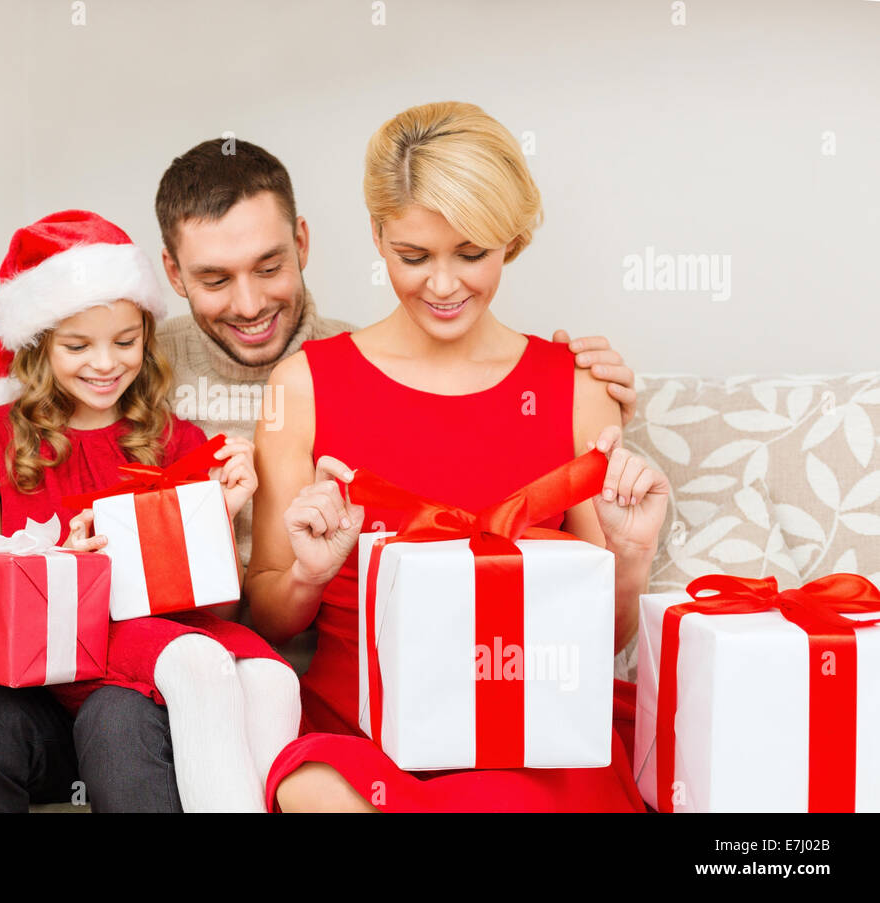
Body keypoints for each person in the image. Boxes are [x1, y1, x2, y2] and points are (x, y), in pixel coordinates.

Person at [0, 137, 643, 811]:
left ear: (305, 244)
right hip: (134, 667)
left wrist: (580, 408)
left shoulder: (363, 358)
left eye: (269, 266)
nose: (251, 303)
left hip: (214, 677)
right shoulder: (127, 357)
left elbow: (561, 580)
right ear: (171, 274)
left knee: (129, 719)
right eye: (215, 278)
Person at [244, 101, 671, 812]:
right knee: (311, 785)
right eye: (414, 258)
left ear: (513, 239)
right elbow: (267, 615)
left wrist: (627, 561)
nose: (443, 286)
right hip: (363, 726)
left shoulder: (576, 386)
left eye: (472, 254)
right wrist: (308, 574)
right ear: (378, 235)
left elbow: (603, 637)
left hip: (526, 726)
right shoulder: (305, 385)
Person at [0, 210, 297, 813]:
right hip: (28, 700)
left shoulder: (178, 443)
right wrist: (56, 575)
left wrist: (218, 518)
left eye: (125, 342)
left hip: (127, 699)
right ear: (39, 344)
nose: (105, 364)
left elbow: (214, 611)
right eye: (77, 345)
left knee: (119, 721)